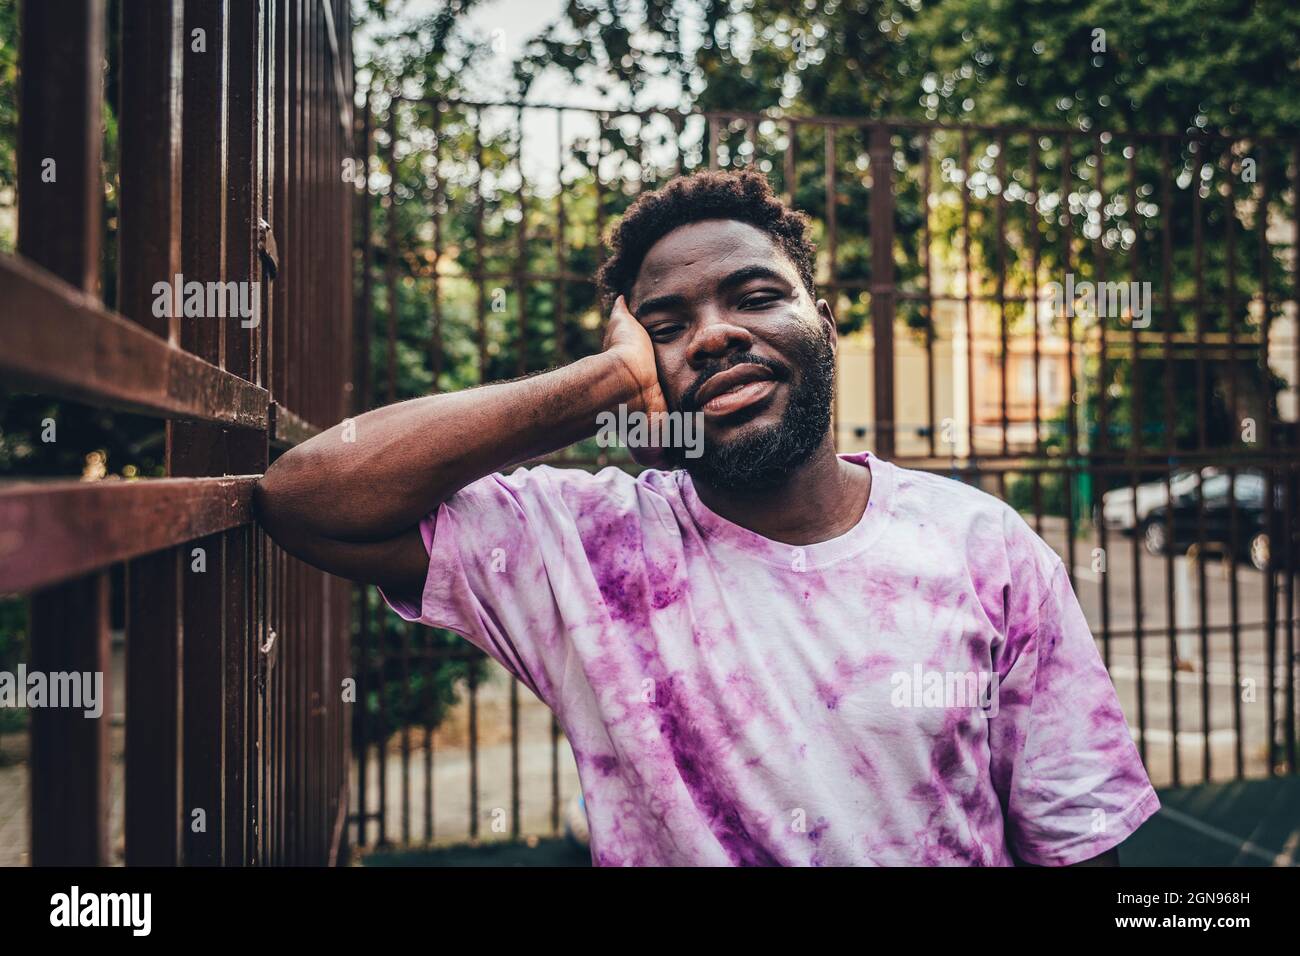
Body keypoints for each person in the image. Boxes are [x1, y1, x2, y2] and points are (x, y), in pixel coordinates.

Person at [255, 168, 1159, 866]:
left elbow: (1076, 837)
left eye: (758, 296)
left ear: (824, 320)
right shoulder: (580, 549)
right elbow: (305, 498)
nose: (718, 333)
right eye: (668, 325)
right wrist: (599, 384)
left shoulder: (983, 546)